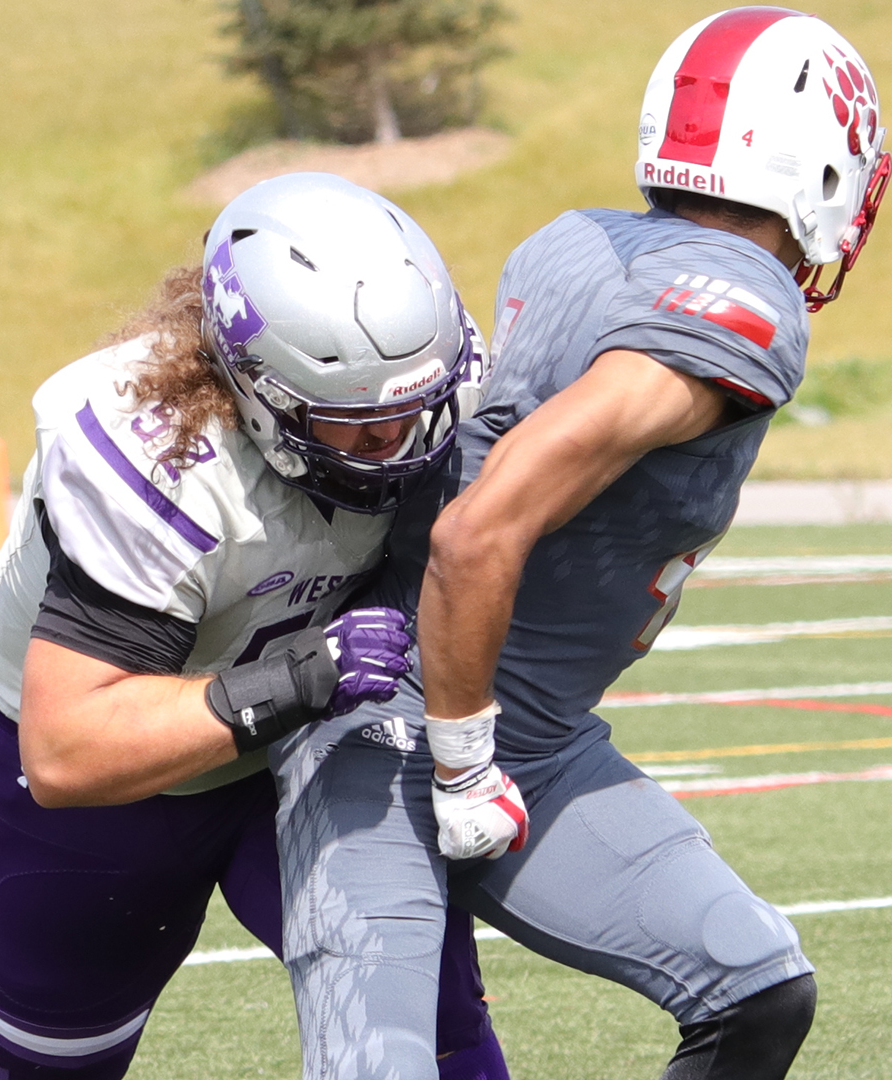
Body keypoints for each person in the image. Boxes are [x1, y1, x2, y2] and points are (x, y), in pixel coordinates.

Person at [270, 9, 886, 1079]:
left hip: (533, 742)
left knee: (757, 989)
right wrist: (462, 764)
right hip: (396, 732)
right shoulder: (747, 299)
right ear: (824, 171)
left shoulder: (575, 239)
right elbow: (479, 527)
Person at [0, 173, 508, 1080]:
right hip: (112, 795)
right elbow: (67, 750)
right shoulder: (154, 452)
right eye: (360, 427)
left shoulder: (423, 376)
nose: (401, 444)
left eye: (416, 409)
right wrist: (298, 678)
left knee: (435, 1030)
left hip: (310, 753)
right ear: (259, 393)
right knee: (45, 1069)